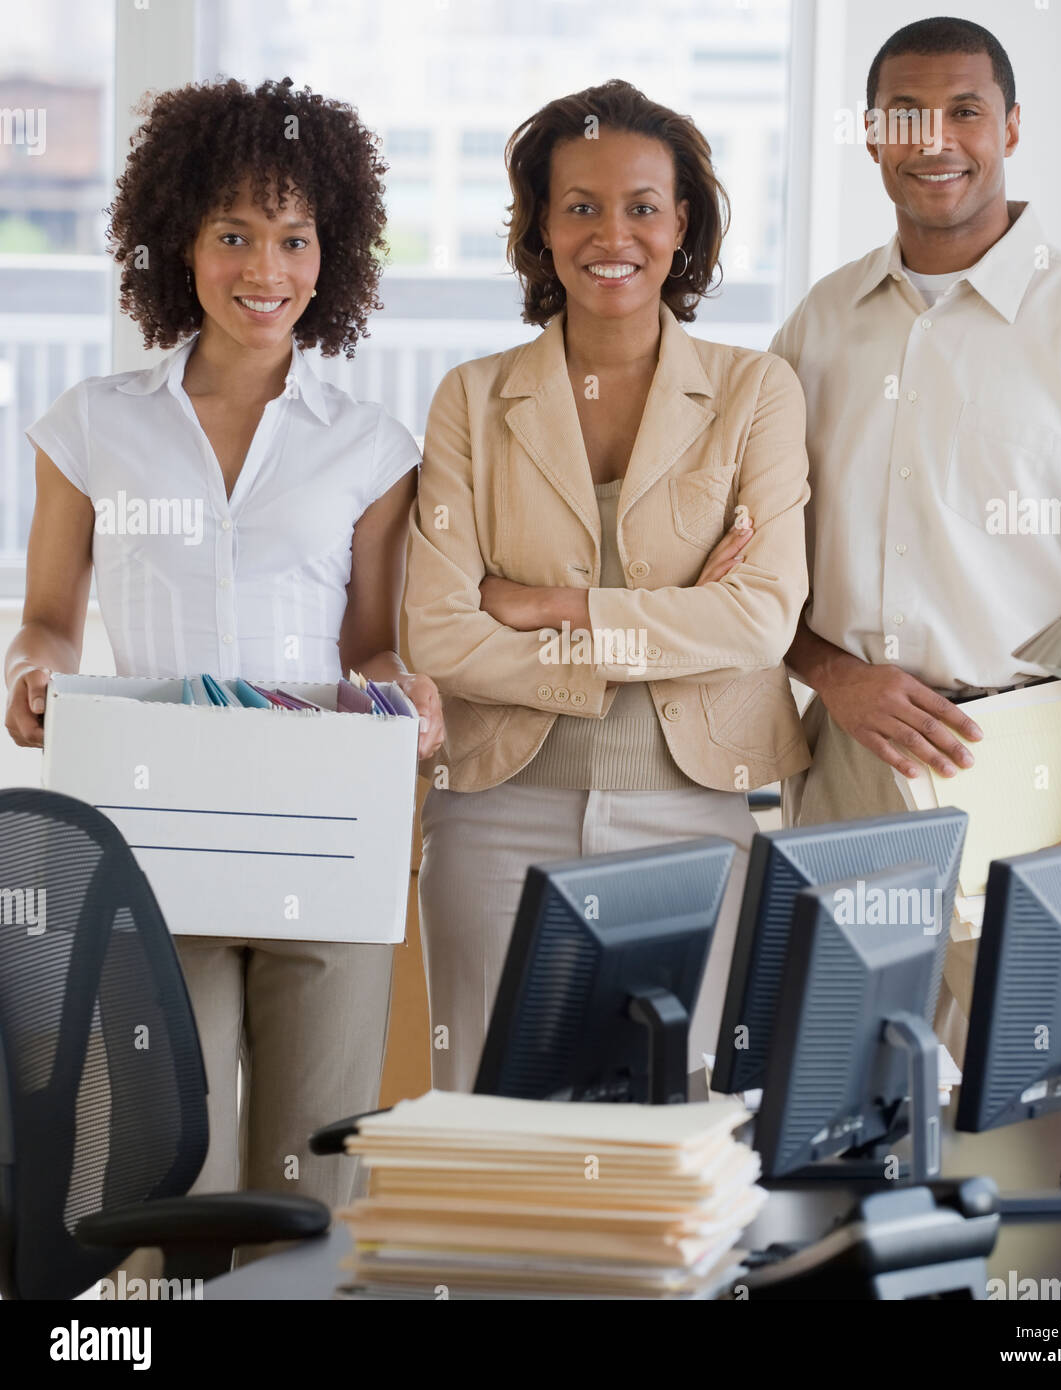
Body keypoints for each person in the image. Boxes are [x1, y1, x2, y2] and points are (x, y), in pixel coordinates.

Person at [4, 78, 445, 1262]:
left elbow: (370, 646)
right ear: (180, 245)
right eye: (234, 235)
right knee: (162, 1161)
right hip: (157, 843)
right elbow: (50, 615)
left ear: (331, 252)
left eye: (296, 238)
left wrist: (412, 699)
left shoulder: (371, 443)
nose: (268, 268)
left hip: (326, 832)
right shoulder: (94, 423)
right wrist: (31, 672)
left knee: (314, 1177)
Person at [769, 17, 1061, 1064]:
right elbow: (761, 573)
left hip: (1041, 771)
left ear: (1011, 127)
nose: (936, 139)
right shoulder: (818, 327)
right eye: (907, 113)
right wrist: (836, 677)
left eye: (965, 110)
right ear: (870, 133)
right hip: (855, 762)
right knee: (840, 1099)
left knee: (1054, 1106)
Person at [406, 79, 811, 1092]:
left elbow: (762, 617)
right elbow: (440, 636)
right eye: (579, 204)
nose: (610, 233)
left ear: (683, 223)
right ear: (541, 225)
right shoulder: (471, 396)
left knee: (679, 1130)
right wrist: (673, 620)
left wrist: (556, 606)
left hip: (693, 811)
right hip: (498, 813)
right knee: (493, 1128)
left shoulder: (755, 391)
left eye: (641, 205)